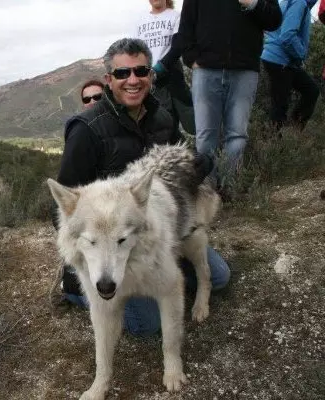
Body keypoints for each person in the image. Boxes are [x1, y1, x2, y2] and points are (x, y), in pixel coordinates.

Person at [51, 38, 230, 337]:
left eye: (140, 71)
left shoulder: (162, 117)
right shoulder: (86, 130)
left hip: (154, 231)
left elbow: (176, 162)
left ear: (150, 74)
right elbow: (63, 207)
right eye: (122, 74)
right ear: (109, 80)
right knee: (148, 325)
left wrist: (199, 166)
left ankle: (166, 269)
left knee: (220, 278)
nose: (132, 80)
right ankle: (76, 288)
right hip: (109, 241)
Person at [163, 0, 282, 195]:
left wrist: (253, 4)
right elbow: (186, 26)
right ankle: (207, 193)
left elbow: (275, 20)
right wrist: (192, 58)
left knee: (237, 134)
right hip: (205, 70)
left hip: (244, 70)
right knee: (205, 137)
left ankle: (230, 189)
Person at [134, 0, 194, 134]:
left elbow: (177, 47)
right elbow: (136, 52)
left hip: (173, 77)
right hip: (150, 83)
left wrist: (158, 69)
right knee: (162, 127)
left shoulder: (176, 16)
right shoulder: (140, 20)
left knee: (192, 123)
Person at [261, 0, 320, 132]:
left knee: (311, 91)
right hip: (279, 59)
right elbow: (287, 36)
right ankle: (276, 145)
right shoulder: (299, 3)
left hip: (280, 59)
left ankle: (292, 132)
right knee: (280, 106)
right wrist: (300, 54)